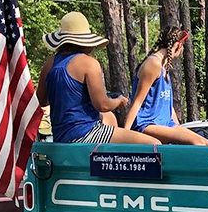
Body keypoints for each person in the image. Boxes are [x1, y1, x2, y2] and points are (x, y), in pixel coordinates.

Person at [37, 12, 159, 145]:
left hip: (61, 136)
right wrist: (119, 101)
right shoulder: (89, 63)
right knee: (154, 144)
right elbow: (102, 104)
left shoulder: (49, 64)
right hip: (86, 134)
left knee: (109, 118)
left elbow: (41, 101)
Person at [124, 27, 208, 145]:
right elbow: (137, 102)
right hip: (147, 123)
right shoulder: (153, 64)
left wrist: (178, 127)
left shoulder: (164, 67)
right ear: (179, 45)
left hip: (166, 123)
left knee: (205, 143)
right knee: (196, 143)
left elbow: (167, 104)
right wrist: (125, 134)